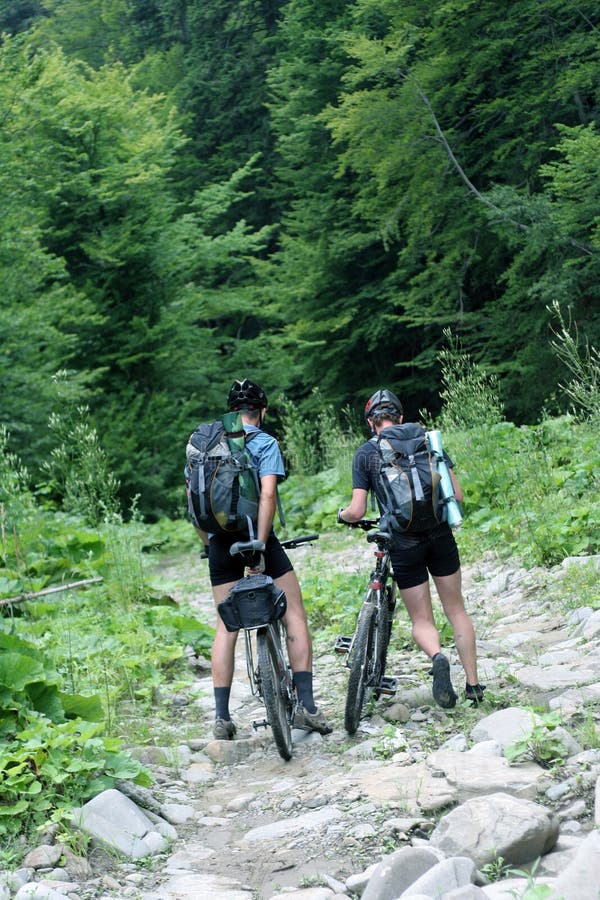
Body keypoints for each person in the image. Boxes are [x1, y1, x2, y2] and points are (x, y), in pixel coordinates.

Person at [194, 378, 332, 740]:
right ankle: (307, 707)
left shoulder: (204, 445)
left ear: (231, 413)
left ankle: (222, 718)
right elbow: (267, 495)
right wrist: (259, 542)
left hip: (221, 542)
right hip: (257, 538)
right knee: (294, 615)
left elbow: (195, 506)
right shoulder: (265, 442)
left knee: (226, 626)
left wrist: (210, 544)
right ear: (262, 412)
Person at [337, 388, 485, 708]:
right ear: (400, 417)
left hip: (403, 543)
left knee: (422, 620)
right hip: (441, 536)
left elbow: (358, 510)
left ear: (370, 422)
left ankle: (437, 656)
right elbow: (456, 496)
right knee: (456, 610)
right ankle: (473, 685)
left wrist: (343, 516)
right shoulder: (427, 443)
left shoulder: (367, 452)